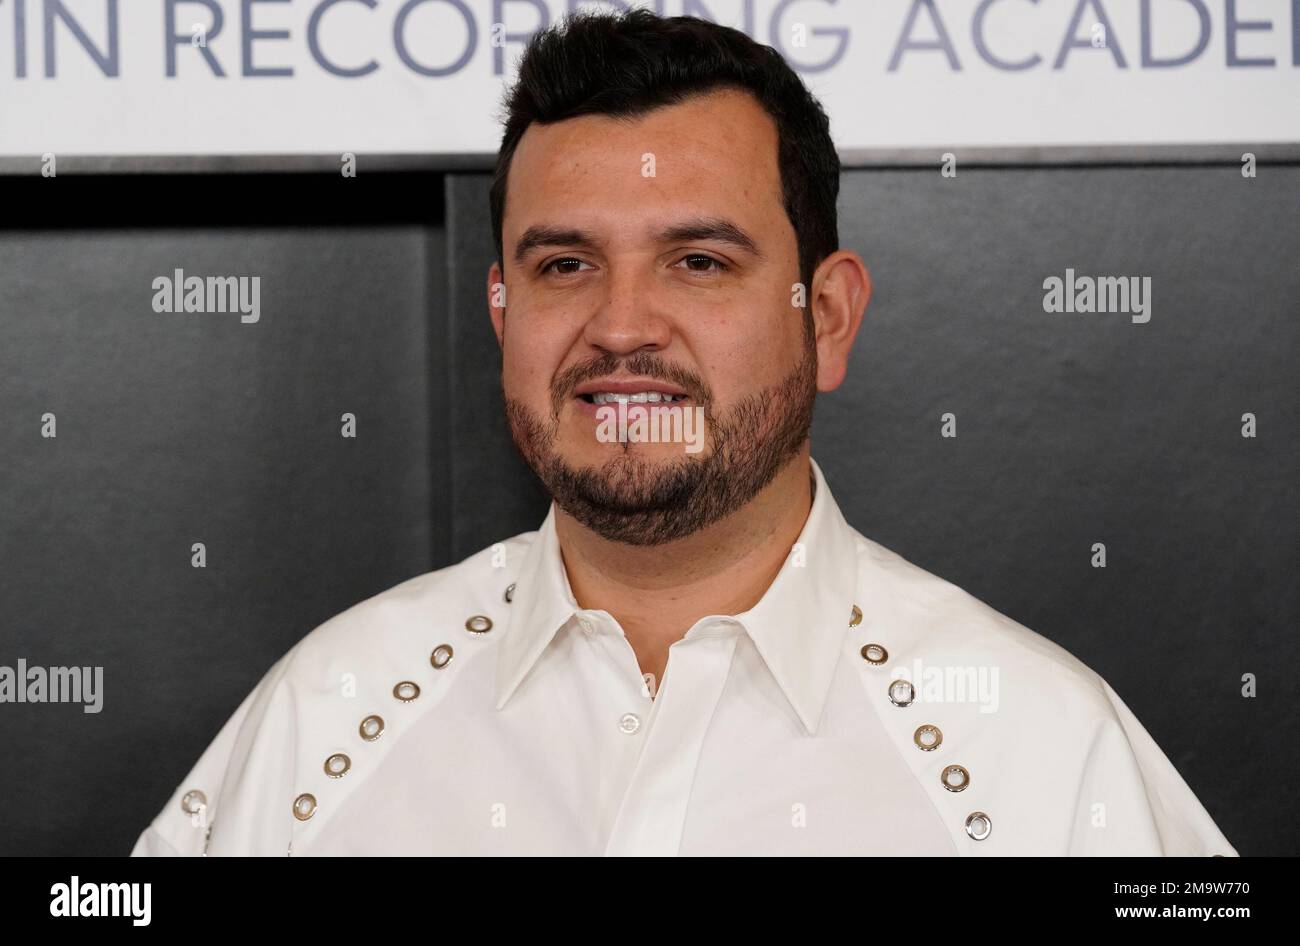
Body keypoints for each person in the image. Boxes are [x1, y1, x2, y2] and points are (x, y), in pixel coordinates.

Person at [132, 9, 1235, 857]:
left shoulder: (1045, 755)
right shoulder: (326, 716)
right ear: (502, 314)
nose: (620, 327)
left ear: (830, 315)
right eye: (564, 265)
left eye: (698, 262)